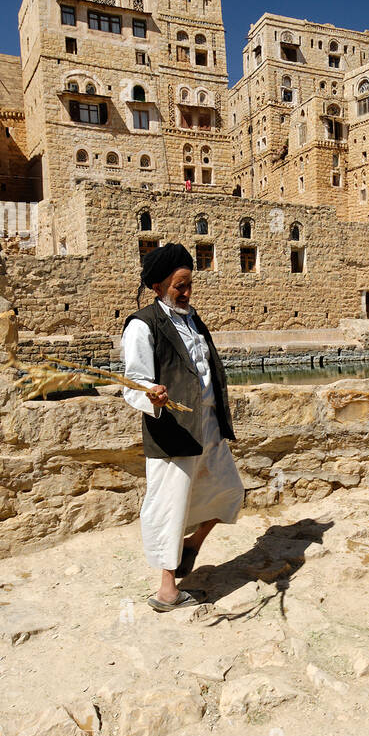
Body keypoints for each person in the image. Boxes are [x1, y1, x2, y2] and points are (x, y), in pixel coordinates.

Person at [121, 242, 245, 611]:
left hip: (206, 424)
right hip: (173, 430)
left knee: (230, 491)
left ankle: (192, 545)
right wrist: (151, 396)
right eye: (179, 286)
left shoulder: (191, 319)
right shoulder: (142, 325)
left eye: (190, 284)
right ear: (159, 286)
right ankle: (166, 591)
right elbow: (135, 382)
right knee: (169, 506)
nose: (187, 292)